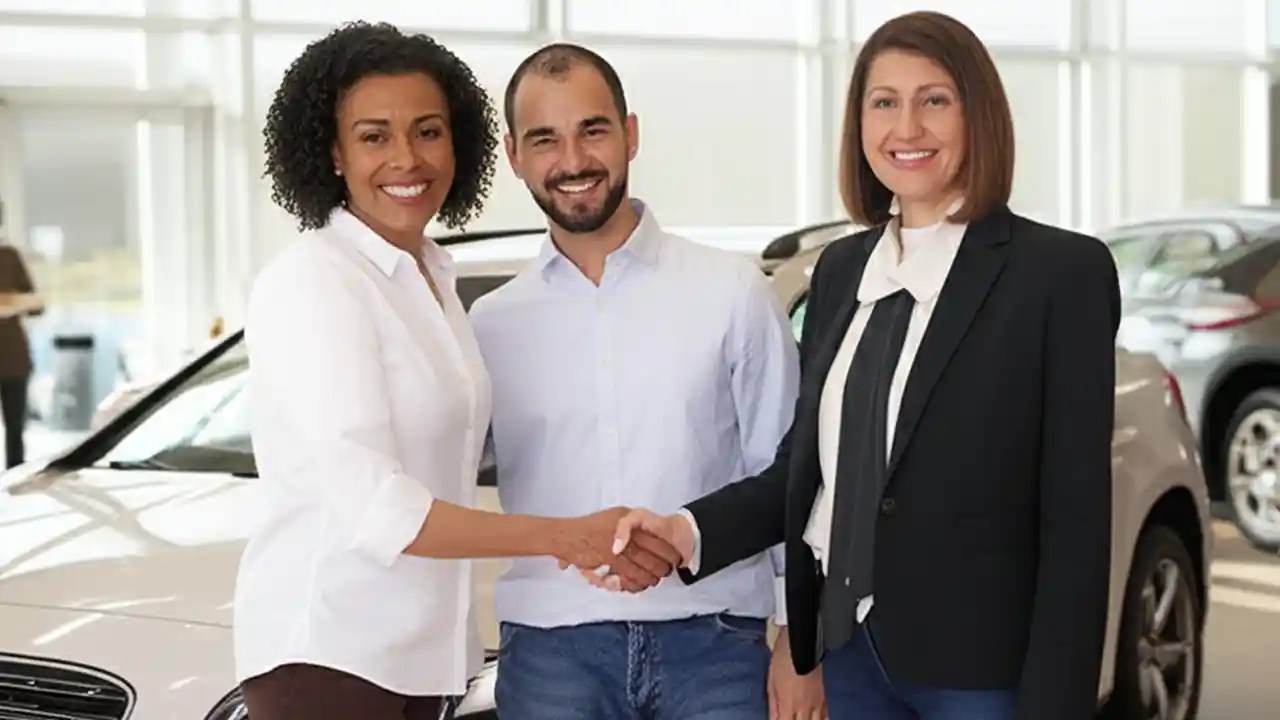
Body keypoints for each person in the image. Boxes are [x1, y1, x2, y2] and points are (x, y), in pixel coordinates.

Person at [608, 11, 1120, 720]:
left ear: (980, 116)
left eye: (934, 100)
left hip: (980, 676)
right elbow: (806, 471)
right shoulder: (844, 270)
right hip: (850, 656)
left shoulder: (1058, 274)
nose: (906, 128)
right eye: (884, 103)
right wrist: (687, 531)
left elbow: (1077, 524)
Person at [233, 23, 680, 720]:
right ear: (333, 152)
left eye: (428, 131)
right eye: (375, 136)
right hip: (329, 657)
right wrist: (563, 535)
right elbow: (380, 508)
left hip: (419, 661)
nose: (407, 158)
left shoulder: (432, 278)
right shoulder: (316, 281)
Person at [468, 43, 827, 720]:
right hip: (552, 653)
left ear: (630, 133)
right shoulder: (490, 324)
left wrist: (797, 643)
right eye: (546, 139)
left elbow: (788, 476)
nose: (572, 161)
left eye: (592, 130)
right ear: (514, 154)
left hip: (718, 643)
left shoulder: (731, 291)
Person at [0, 212, 43, 469]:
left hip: (13, 359)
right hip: (13, 357)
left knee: (15, 431)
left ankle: (14, 496)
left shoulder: (9, 257)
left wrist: (10, 303)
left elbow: (36, 305)